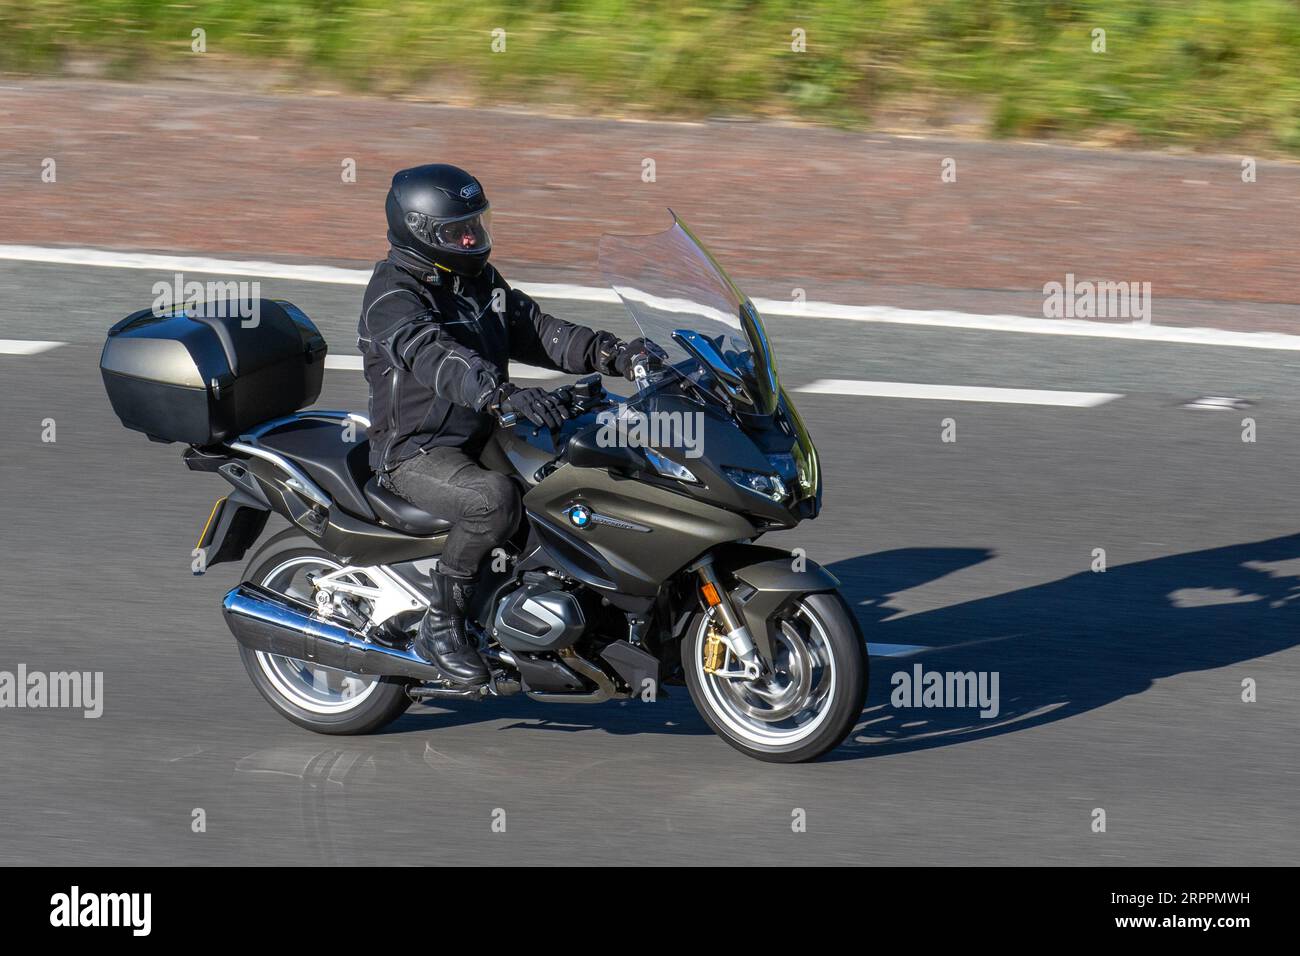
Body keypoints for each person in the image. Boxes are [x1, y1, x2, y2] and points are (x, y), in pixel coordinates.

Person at [358, 163, 657, 686]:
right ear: (421, 232)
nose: (473, 236)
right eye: (459, 231)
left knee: (588, 461)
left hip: (487, 429)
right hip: (419, 453)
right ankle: (442, 623)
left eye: (477, 223)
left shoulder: (476, 281)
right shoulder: (393, 297)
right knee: (492, 500)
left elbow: (538, 331)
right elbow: (436, 357)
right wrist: (498, 393)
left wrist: (617, 354)